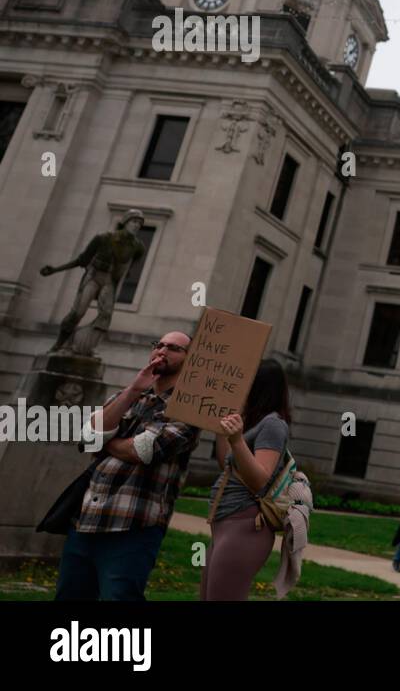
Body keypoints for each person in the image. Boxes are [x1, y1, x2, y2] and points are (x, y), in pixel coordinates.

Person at [55, 331, 199, 600]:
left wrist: (107, 441)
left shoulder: (189, 408)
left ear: (190, 360)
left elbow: (145, 451)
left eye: (174, 348)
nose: (162, 351)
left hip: (133, 528)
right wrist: (133, 390)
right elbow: (87, 440)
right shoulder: (129, 395)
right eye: (159, 345)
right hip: (86, 521)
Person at [201, 358, 292, 601]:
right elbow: (228, 465)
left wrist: (238, 440)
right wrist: (225, 433)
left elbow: (260, 479)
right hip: (225, 524)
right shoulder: (253, 422)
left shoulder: (273, 424)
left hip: (246, 526)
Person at [40, 209, 147, 354]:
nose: (137, 226)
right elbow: (81, 260)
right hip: (94, 277)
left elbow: (132, 263)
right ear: (125, 222)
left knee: (106, 315)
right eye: (134, 222)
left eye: (140, 223)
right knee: (78, 312)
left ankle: (84, 345)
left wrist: (125, 273)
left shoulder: (138, 247)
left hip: (109, 280)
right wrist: (55, 269)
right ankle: (59, 344)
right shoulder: (103, 238)